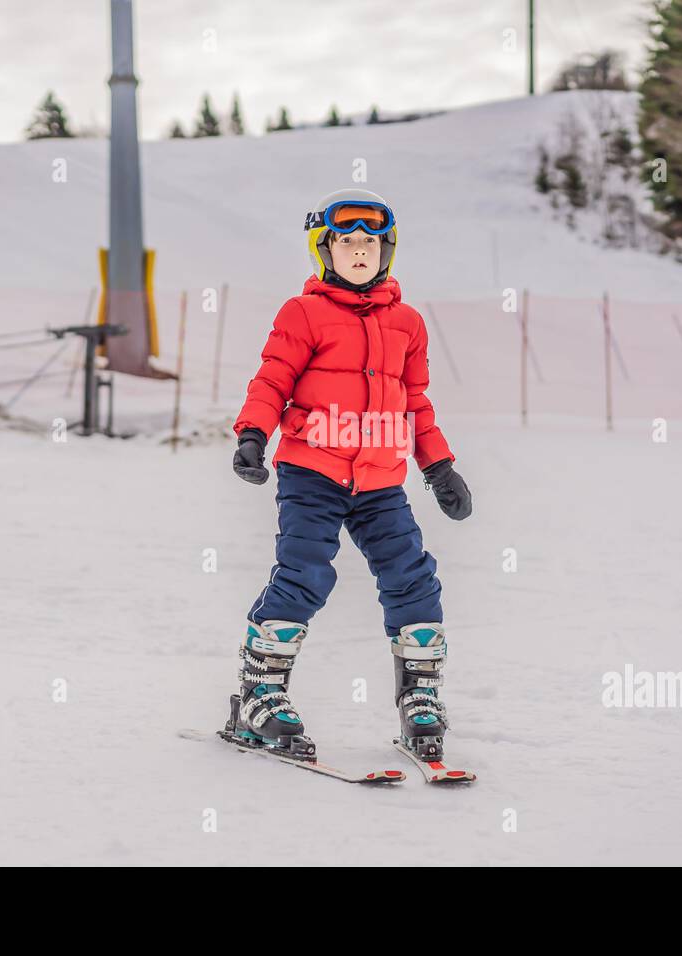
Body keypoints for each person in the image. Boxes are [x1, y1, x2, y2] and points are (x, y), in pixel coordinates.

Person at [227, 188, 472, 761]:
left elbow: (415, 404)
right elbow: (272, 380)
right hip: (312, 471)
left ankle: (421, 698)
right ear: (325, 250)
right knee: (306, 572)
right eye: (346, 241)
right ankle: (260, 693)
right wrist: (252, 434)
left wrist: (438, 467)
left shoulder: (408, 324)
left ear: (386, 251)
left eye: (370, 242)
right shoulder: (303, 313)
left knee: (412, 576)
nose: (359, 250)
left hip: (381, 479)